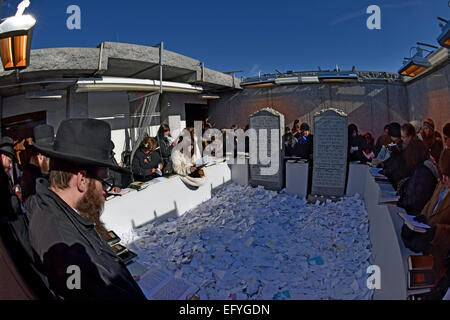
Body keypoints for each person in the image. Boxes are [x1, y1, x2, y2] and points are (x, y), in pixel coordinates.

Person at [27, 118, 146, 300]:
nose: (105, 191)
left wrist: (121, 282)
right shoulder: (67, 248)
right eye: (104, 181)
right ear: (82, 180)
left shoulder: (49, 206)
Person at [401, 148, 450, 281]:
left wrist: (437, 231)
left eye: (448, 175)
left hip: (439, 255)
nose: (444, 179)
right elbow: (430, 204)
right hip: (426, 243)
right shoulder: (441, 184)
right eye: (443, 174)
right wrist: (421, 217)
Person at [397, 124, 439, 215]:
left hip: (415, 213)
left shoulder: (423, 172)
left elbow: (416, 199)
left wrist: (400, 203)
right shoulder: (421, 169)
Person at [20, 125, 54, 202]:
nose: (52, 160)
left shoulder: (53, 173)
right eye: (49, 155)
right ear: (39, 156)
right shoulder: (31, 177)